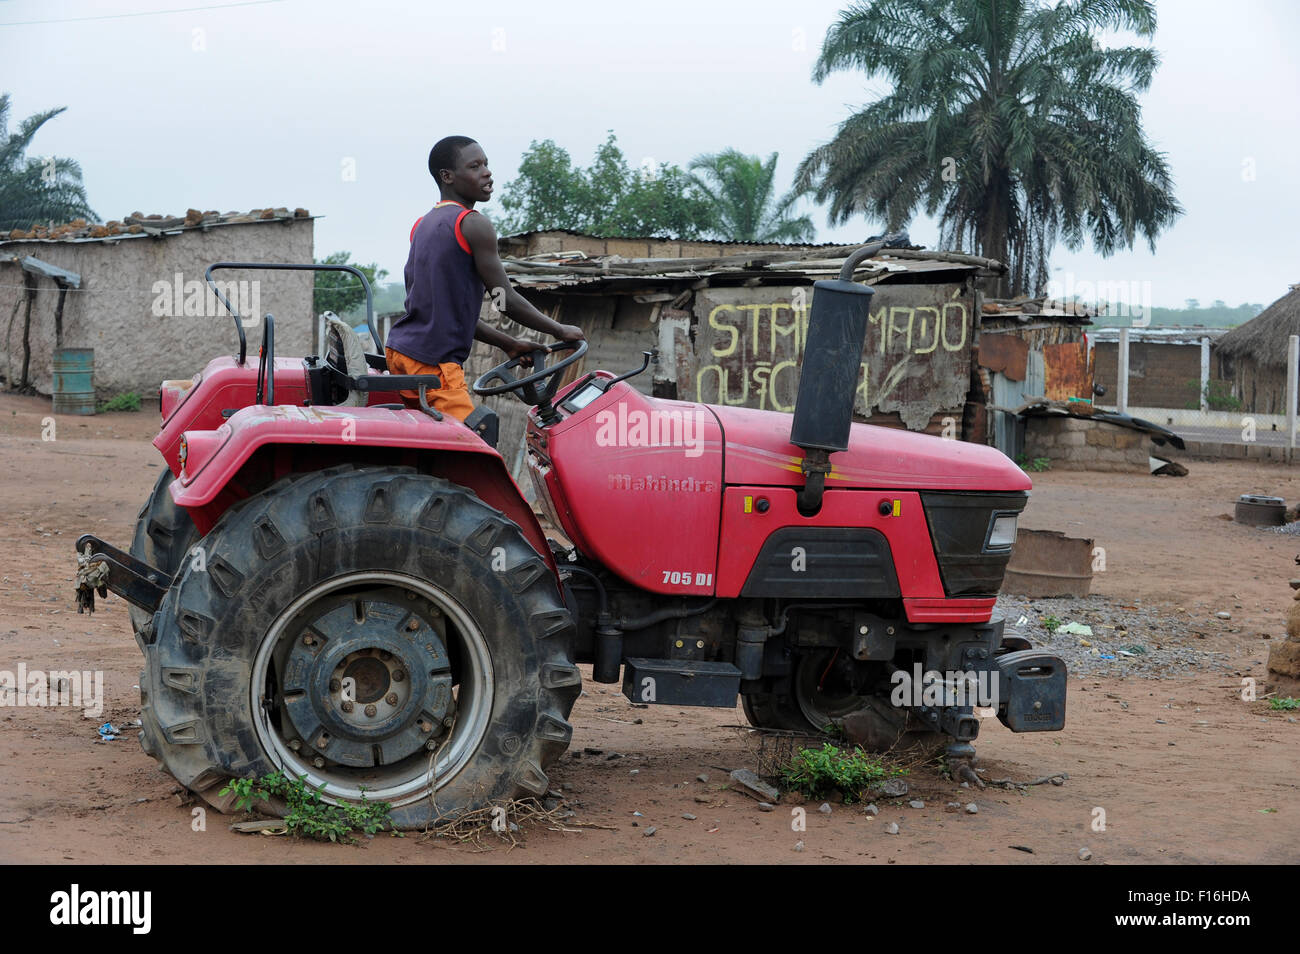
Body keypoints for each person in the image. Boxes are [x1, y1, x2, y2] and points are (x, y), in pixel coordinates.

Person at [385, 135, 584, 420]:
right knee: (475, 439)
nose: (487, 172)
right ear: (448, 176)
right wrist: (559, 330)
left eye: (486, 164)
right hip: (433, 365)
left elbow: (445, 310)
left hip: (402, 353)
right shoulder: (472, 223)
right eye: (475, 166)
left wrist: (508, 344)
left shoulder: (423, 224)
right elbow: (505, 300)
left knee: (432, 445)